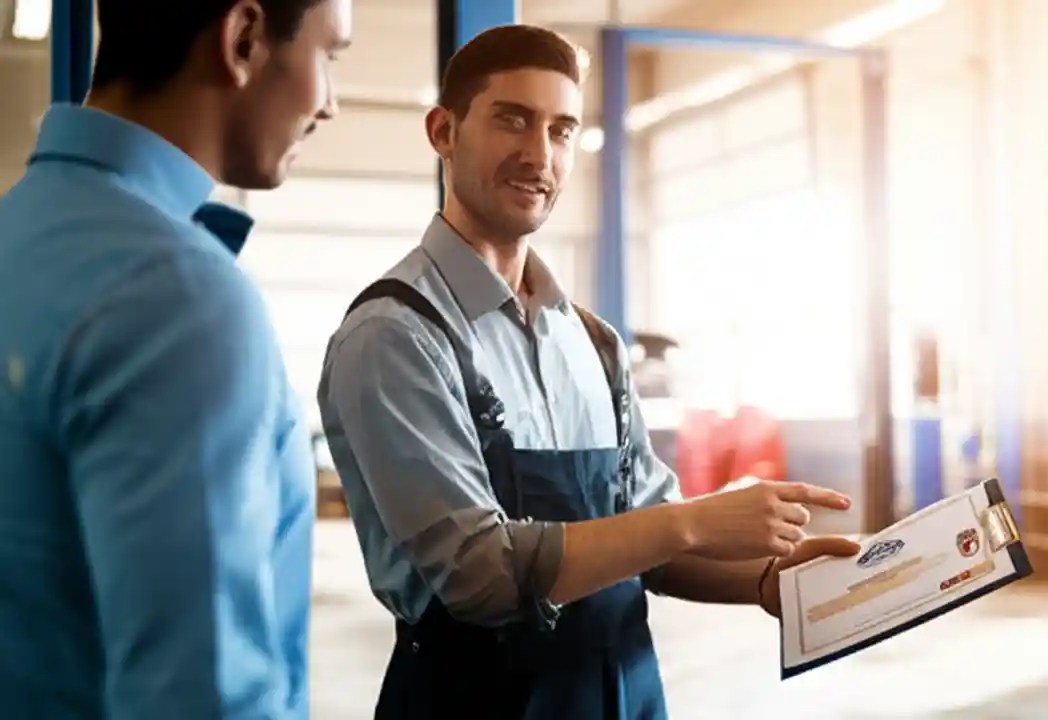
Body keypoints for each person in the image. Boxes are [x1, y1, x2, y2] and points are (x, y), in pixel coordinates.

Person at [317, 24, 860, 719]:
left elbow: (646, 541)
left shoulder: (594, 343)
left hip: (623, 698)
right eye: (512, 119)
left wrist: (768, 582)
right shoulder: (397, 337)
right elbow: (479, 575)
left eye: (562, 129)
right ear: (443, 131)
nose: (538, 154)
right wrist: (693, 521)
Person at [0, 1, 351, 717]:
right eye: (330, 57)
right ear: (243, 38)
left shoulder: (20, 235)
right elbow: (200, 697)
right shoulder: (175, 295)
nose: (331, 106)